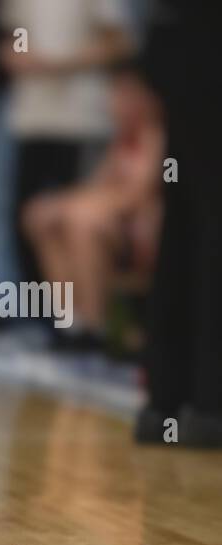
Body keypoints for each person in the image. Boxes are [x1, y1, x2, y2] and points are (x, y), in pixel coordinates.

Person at [23, 64, 163, 354]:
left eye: (126, 95)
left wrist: (80, 205)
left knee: (83, 221)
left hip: (143, 232)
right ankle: (70, 323)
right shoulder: (121, 140)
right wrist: (61, 204)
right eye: (116, 94)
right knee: (44, 217)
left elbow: (139, 195)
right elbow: (97, 187)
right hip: (112, 223)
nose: (118, 103)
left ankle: (95, 327)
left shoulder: (156, 137)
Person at [0, 0, 134, 292]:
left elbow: (120, 42)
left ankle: (84, 320)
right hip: (31, 117)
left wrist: (61, 63)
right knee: (28, 218)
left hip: (81, 120)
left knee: (71, 222)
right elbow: (16, 36)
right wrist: (19, 55)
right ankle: (51, 318)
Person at [136, 0, 222, 447]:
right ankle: (209, 403)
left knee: (184, 220)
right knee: (209, 225)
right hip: (206, 45)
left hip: (177, 40)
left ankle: (165, 402)